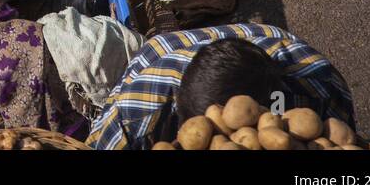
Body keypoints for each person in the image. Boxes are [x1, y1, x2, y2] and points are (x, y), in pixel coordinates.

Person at [86, 23, 354, 149]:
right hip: (158, 59)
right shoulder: (135, 114)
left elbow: (347, 140)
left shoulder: (318, 86)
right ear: (179, 96)